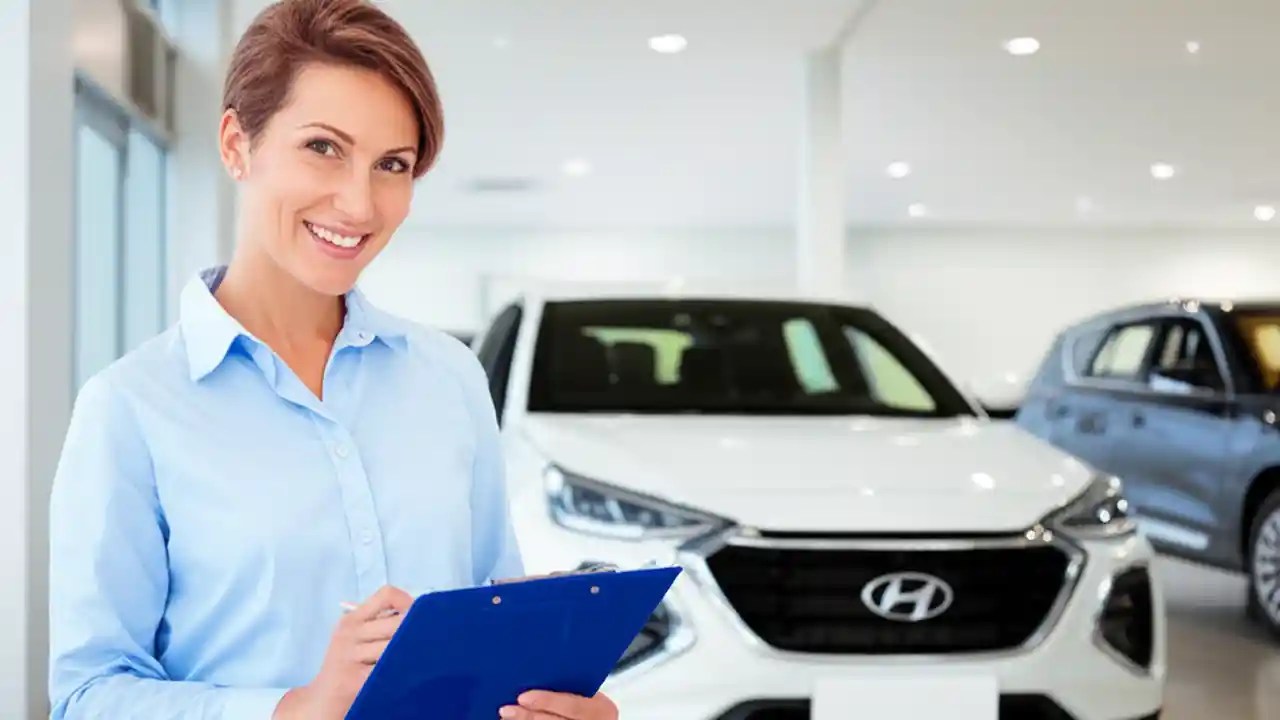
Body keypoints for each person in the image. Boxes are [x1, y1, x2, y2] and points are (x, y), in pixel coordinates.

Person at [46, 1, 619, 719]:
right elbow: (88, 695)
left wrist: (548, 701)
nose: (358, 203)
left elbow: (492, 634)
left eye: (392, 165)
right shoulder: (131, 407)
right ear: (236, 144)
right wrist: (297, 708)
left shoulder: (450, 378)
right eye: (323, 147)